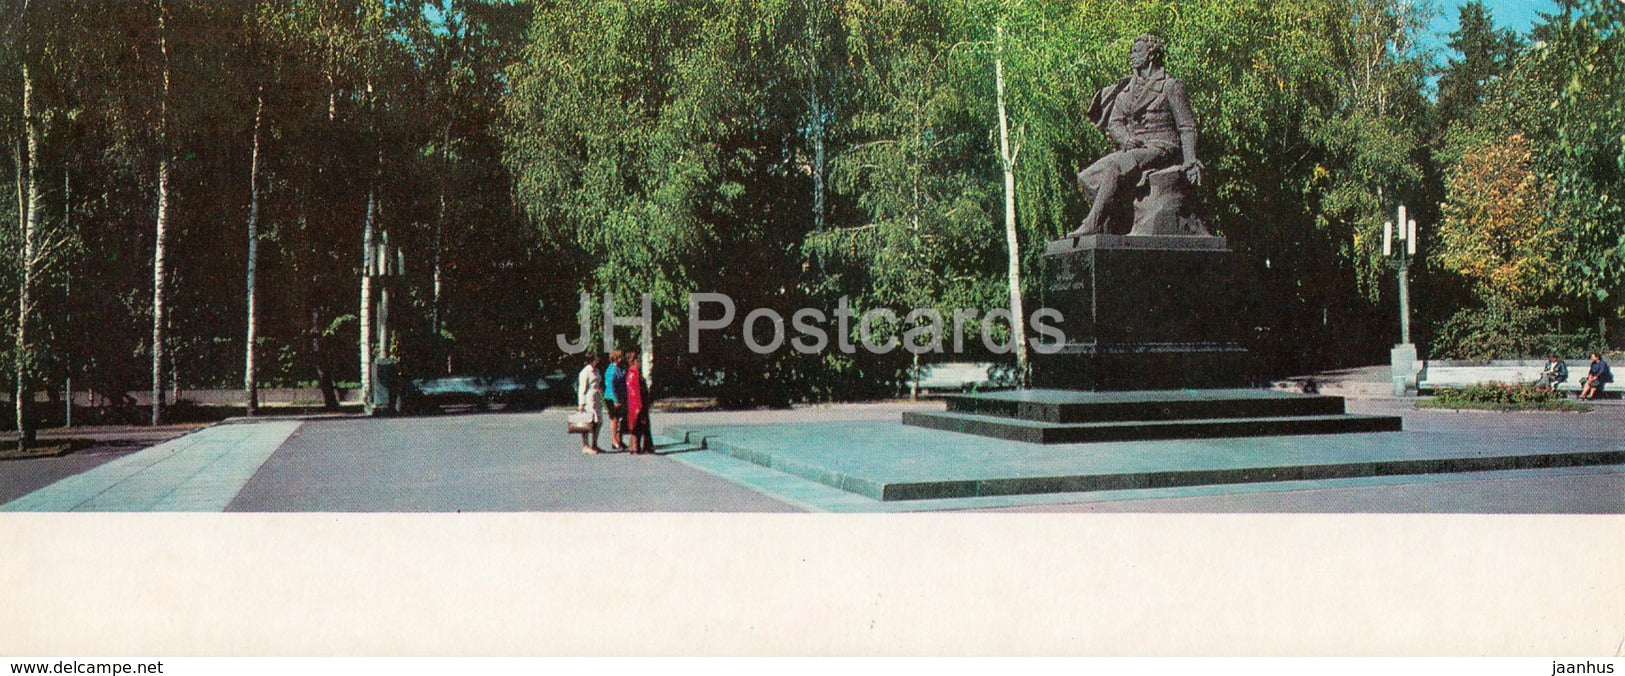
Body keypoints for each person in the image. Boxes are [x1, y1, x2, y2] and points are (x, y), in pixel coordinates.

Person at [1071, 34, 1204, 237]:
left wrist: (1190, 160)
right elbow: (1114, 123)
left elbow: (1186, 126)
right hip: (1136, 147)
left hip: (1162, 146)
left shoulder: (1170, 86)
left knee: (1117, 166)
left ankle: (1092, 223)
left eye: (1137, 51)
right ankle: (1114, 223)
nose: (1132, 56)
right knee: (1088, 176)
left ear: (1151, 55)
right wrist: (1126, 139)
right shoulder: (1127, 91)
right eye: (1131, 51)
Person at [575, 352, 605, 454]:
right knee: (587, 421)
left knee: (598, 421)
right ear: (592, 360)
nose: (598, 359)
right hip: (589, 399)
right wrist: (581, 403)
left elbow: (598, 383)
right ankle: (585, 445)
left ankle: (594, 444)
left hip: (597, 398)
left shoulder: (596, 370)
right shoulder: (585, 372)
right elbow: (582, 389)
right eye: (596, 358)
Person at [624, 350, 651, 455]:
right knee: (639, 425)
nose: (640, 363)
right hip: (638, 404)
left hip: (636, 404)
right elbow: (635, 392)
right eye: (638, 361)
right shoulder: (634, 374)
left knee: (638, 426)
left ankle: (636, 446)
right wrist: (638, 406)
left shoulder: (633, 373)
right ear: (634, 361)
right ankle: (636, 447)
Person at [603, 349, 627, 452]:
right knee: (615, 419)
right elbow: (610, 386)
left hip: (621, 397)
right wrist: (615, 400)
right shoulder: (611, 370)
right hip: (611, 398)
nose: (622, 359)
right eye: (620, 357)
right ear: (615, 358)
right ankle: (615, 440)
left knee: (621, 419)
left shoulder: (619, 368)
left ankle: (619, 439)